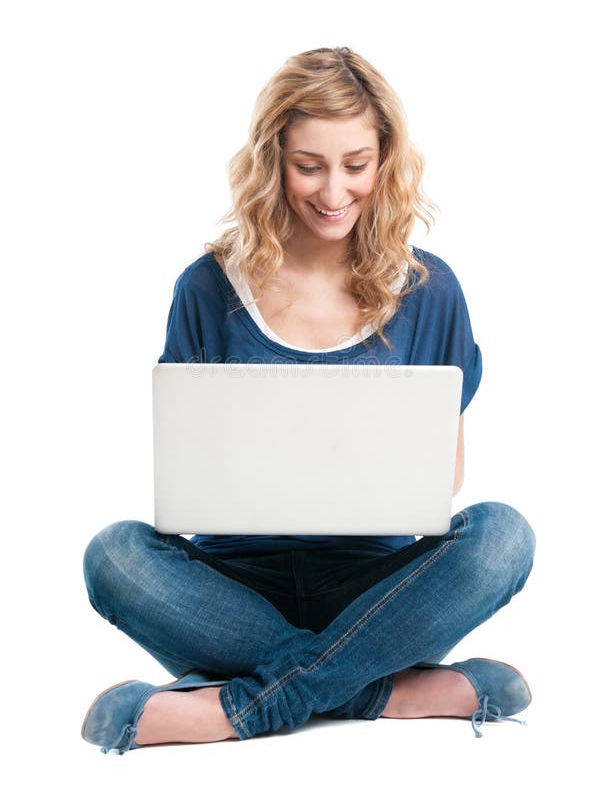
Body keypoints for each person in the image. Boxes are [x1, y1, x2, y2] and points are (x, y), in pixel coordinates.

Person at [81, 46, 535, 755]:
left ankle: (247, 705)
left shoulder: (431, 291)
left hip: (380, 594)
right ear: (273, 161)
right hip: (232, 593)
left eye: (356, 164)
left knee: (504, 536)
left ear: (386, 160)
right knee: (112, 556)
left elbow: (442, 480)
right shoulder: (206, 289)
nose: (333, 192)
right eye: (309, 165)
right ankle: (383, 691)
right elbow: (186, 470)